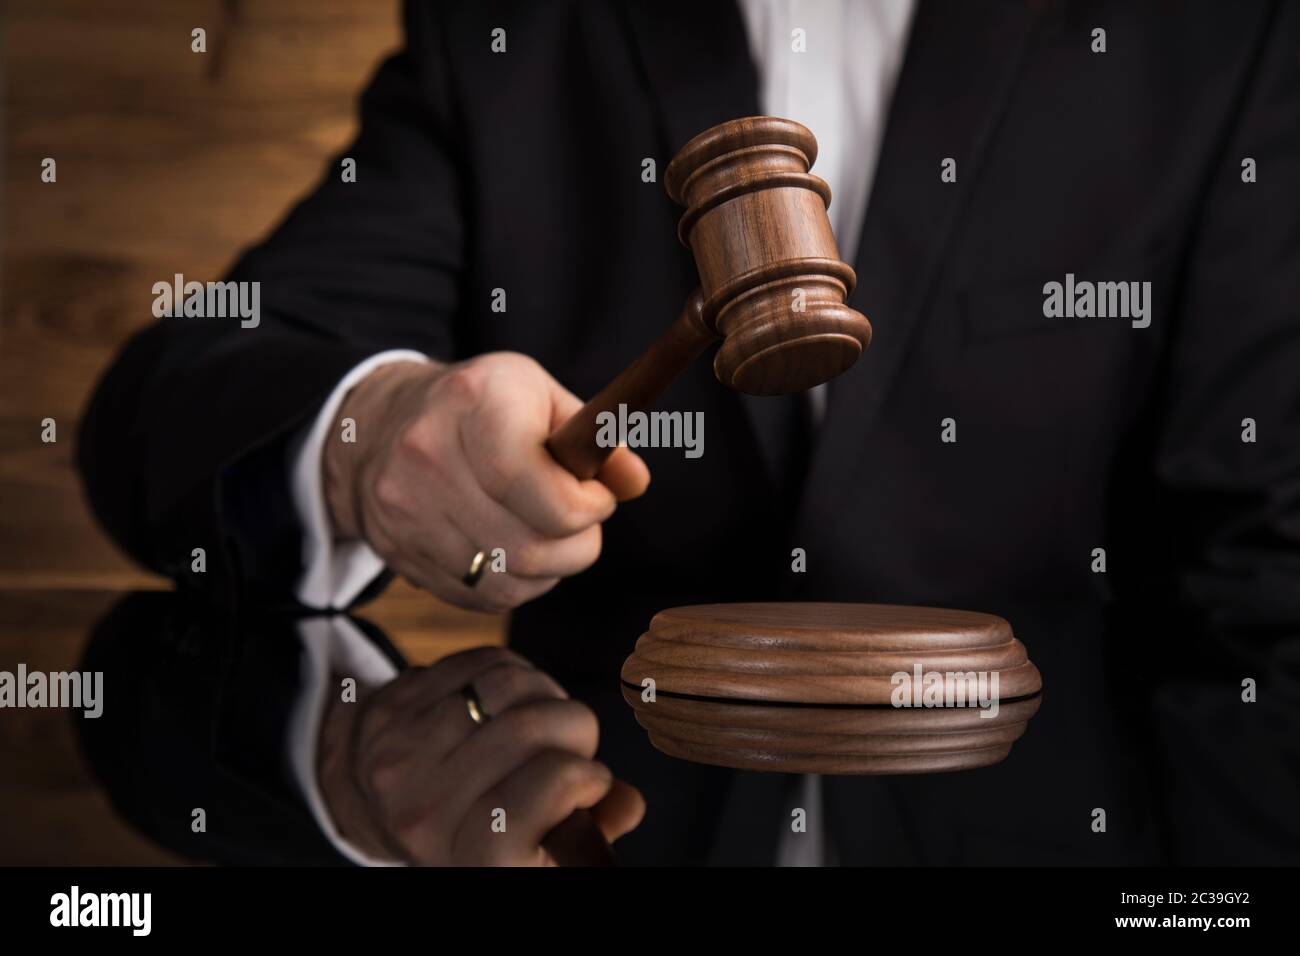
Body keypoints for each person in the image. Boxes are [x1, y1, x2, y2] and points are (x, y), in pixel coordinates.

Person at [79, 0, 1300, 865]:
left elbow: (1268, 546)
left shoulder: (1211, 32)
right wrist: (372, 434)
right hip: (587, 787)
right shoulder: (516, 29)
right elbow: (167, 404)